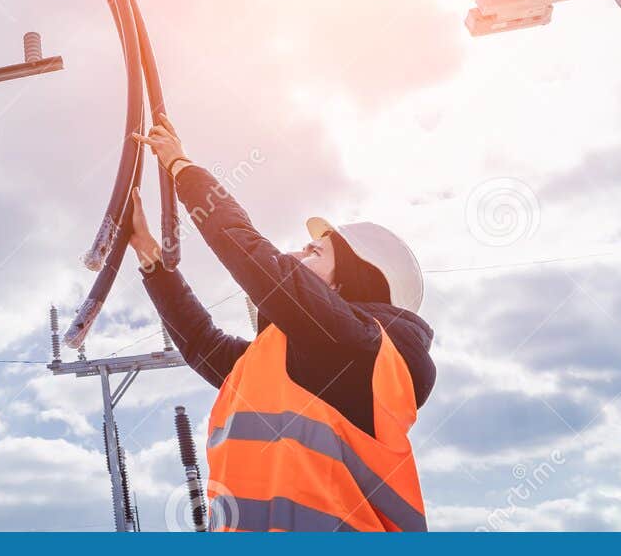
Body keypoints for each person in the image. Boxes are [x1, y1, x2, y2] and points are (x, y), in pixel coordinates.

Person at [127, 114, 435, 532]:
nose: (296, 253)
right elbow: (202, 342)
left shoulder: (359, 351)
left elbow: (255, 257)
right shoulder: (285, 364)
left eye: (315, 251)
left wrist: (183, 169)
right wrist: (151, 260)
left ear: (351, 280)